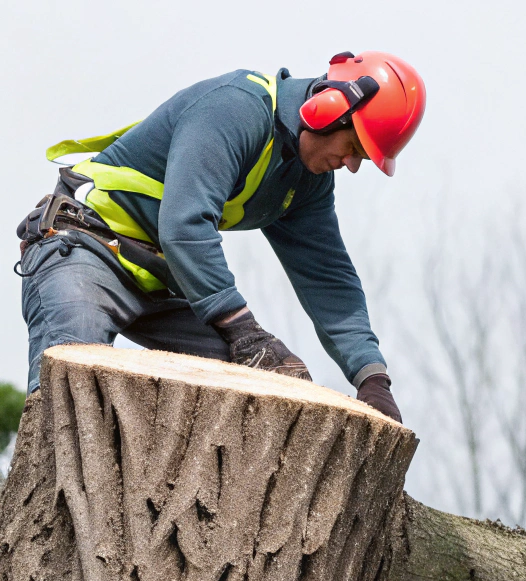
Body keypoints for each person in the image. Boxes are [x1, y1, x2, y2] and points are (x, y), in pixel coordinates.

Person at [14, 52, 424, 421]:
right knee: (68, 395)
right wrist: (241, 326)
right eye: (354, 147)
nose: (351, 165)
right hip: (84, 251)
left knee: (267, 389)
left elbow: (328, 280)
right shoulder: (235, 110)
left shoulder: (306, 181)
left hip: (164, 280)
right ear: (328, 108)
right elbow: (185, 225)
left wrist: (372, 376)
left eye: (364, 159)